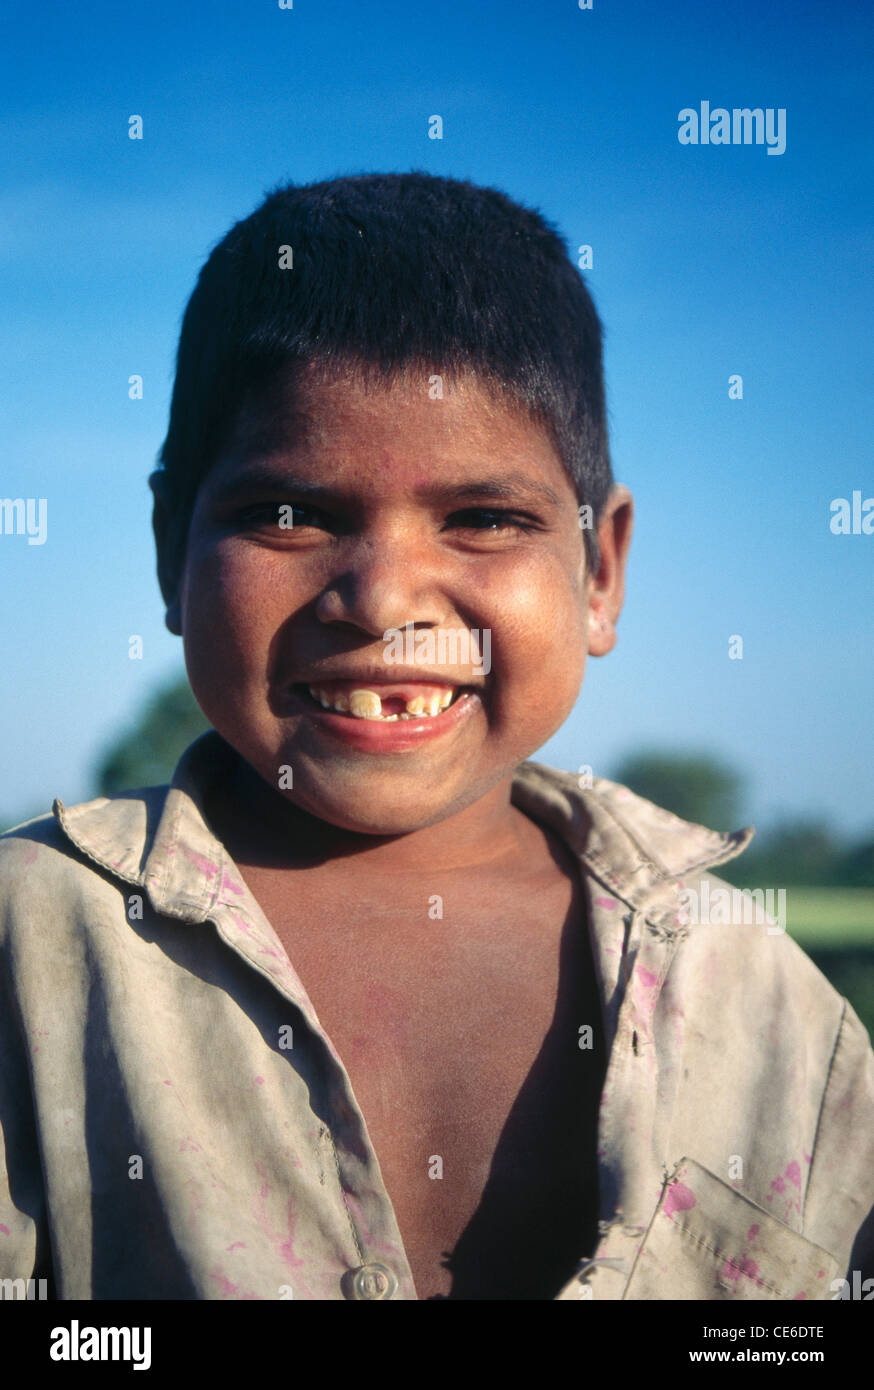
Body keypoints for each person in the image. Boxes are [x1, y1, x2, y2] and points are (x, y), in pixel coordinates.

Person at [1, 172, 872, 1301]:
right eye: (290, 515)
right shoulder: (33, 948)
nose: (382, 599)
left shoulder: (752, 990)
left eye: (482, 519)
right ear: (174, 549)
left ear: (600, 570)